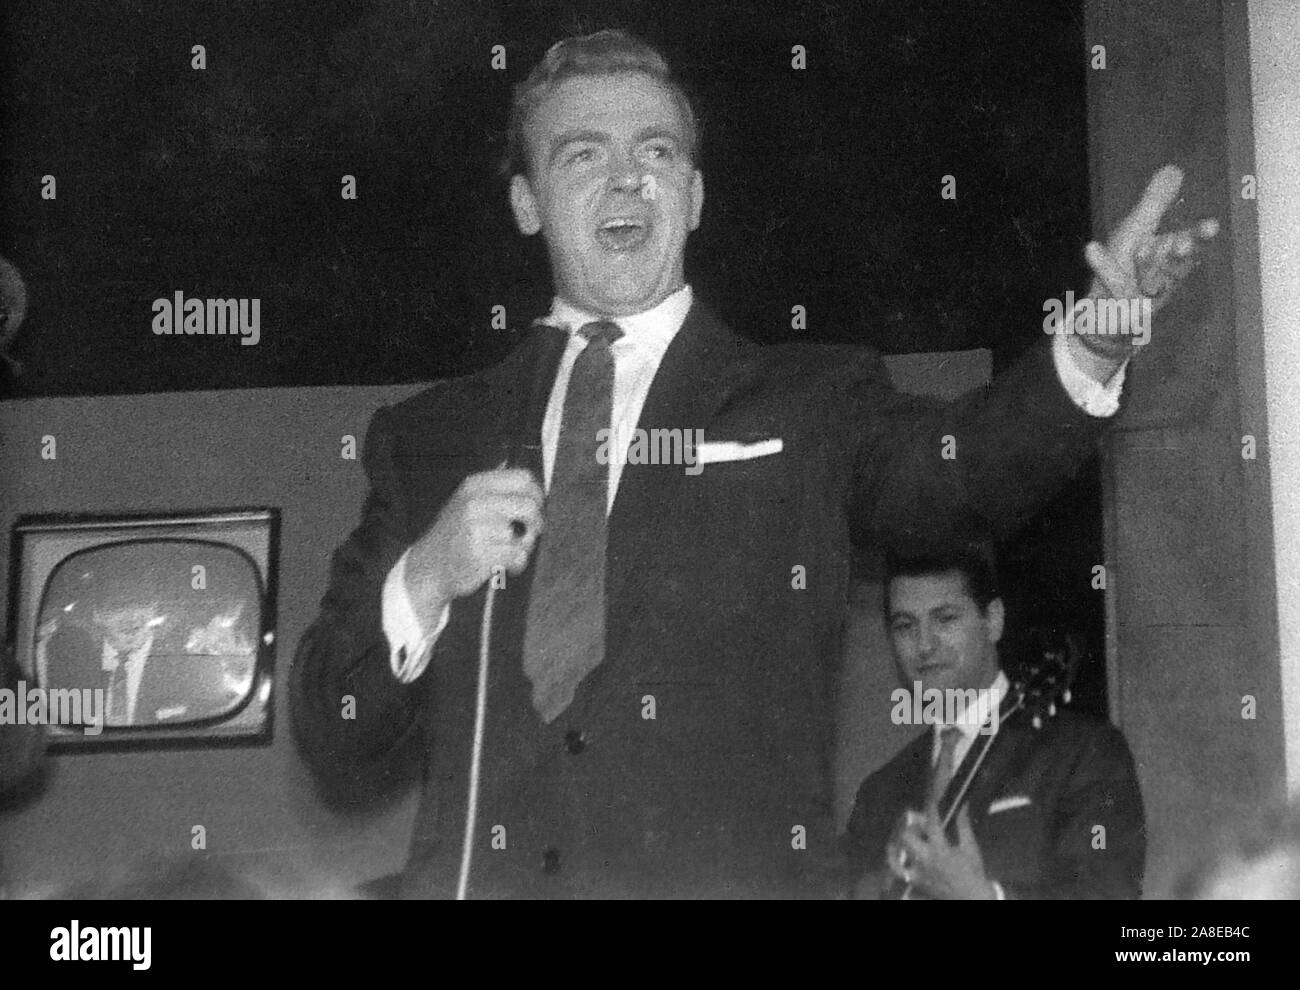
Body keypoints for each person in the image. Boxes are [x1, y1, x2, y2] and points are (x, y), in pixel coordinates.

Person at [290, 29, 1213, 898]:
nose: (625, 180)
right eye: (581, 155)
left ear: (693, 197)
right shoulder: (429, 438)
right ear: (527, 203)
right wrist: (428, 574)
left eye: (656, 154)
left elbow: (959, 470)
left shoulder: (806, 398)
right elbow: (334, 732)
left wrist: (1095, 339)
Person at [841, 546, 1146, 899]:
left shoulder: (1085, 752)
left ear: (994, 620)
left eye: (945, 619)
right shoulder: (878, 792)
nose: (924, 645)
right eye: (905, 626)